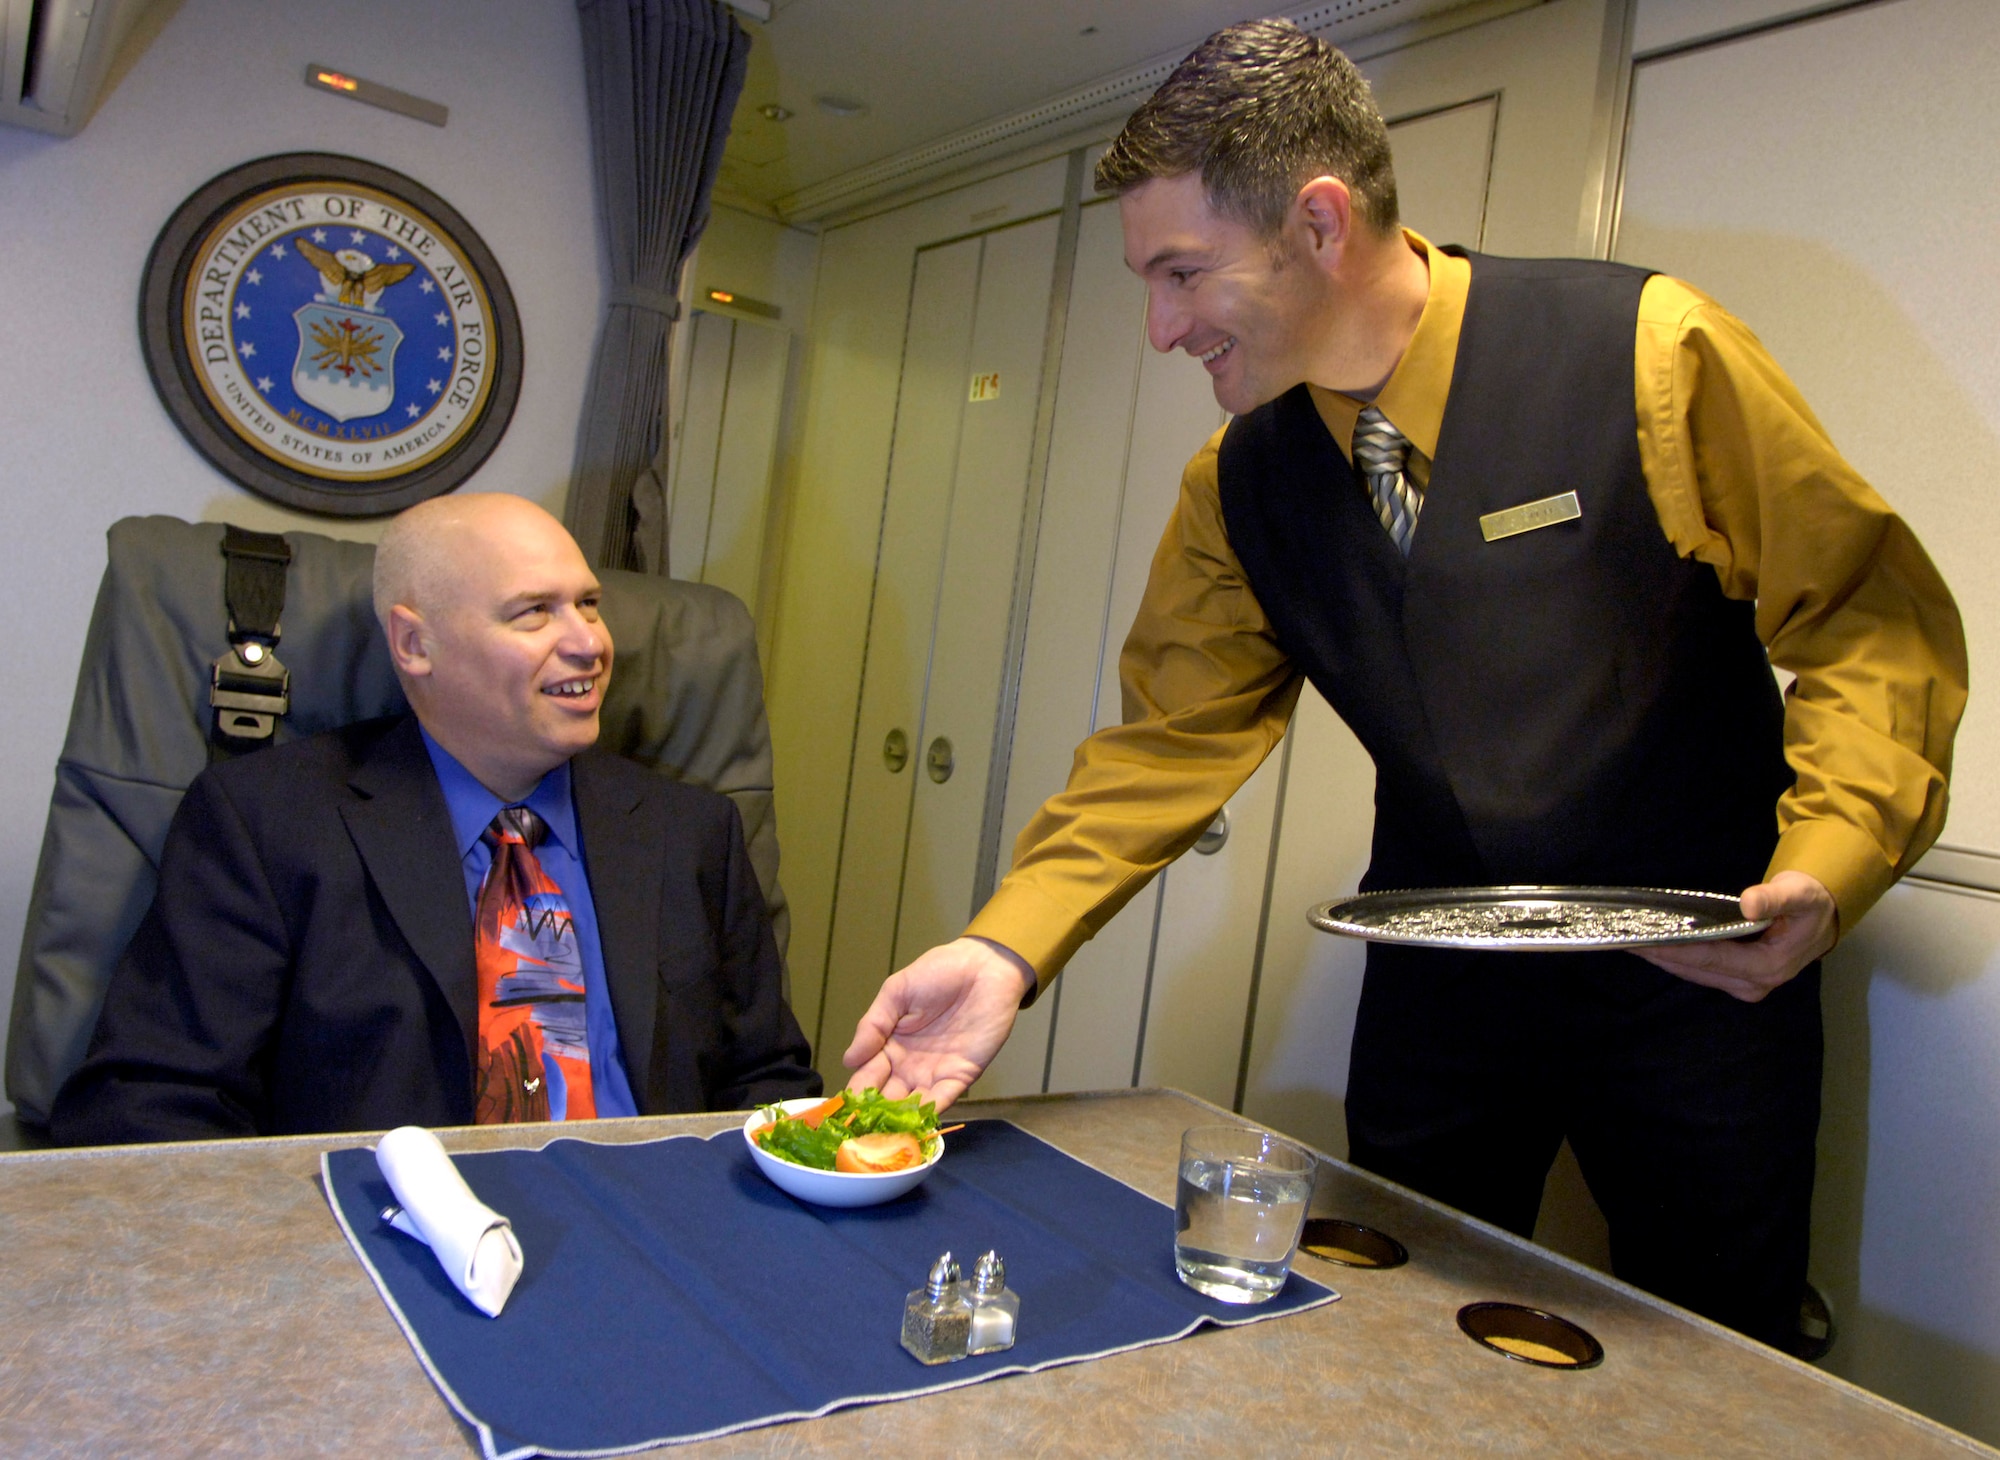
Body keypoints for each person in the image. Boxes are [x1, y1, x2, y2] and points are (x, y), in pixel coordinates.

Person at [843, 20, 1965, 1348]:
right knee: (1402, 1320)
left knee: (1712, 1337)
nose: (1159, 329)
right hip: (1439, 976)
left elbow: (1870, 623)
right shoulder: (1239, 481)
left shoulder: (1651, 353)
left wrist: (1829, 861)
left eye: (1182, 272)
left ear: (1319, 223)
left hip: (1706, 977)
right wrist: (1004, 947)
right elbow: (1169, 740)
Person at [52, 494, 819, 1143]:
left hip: (653, 1236)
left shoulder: (691, 832)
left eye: (588, 604)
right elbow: (149, 1101)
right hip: (394, 1251)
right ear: (416, 645)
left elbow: (767, 1081)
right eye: (533, 614)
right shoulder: (266, 824)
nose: (590, 643)